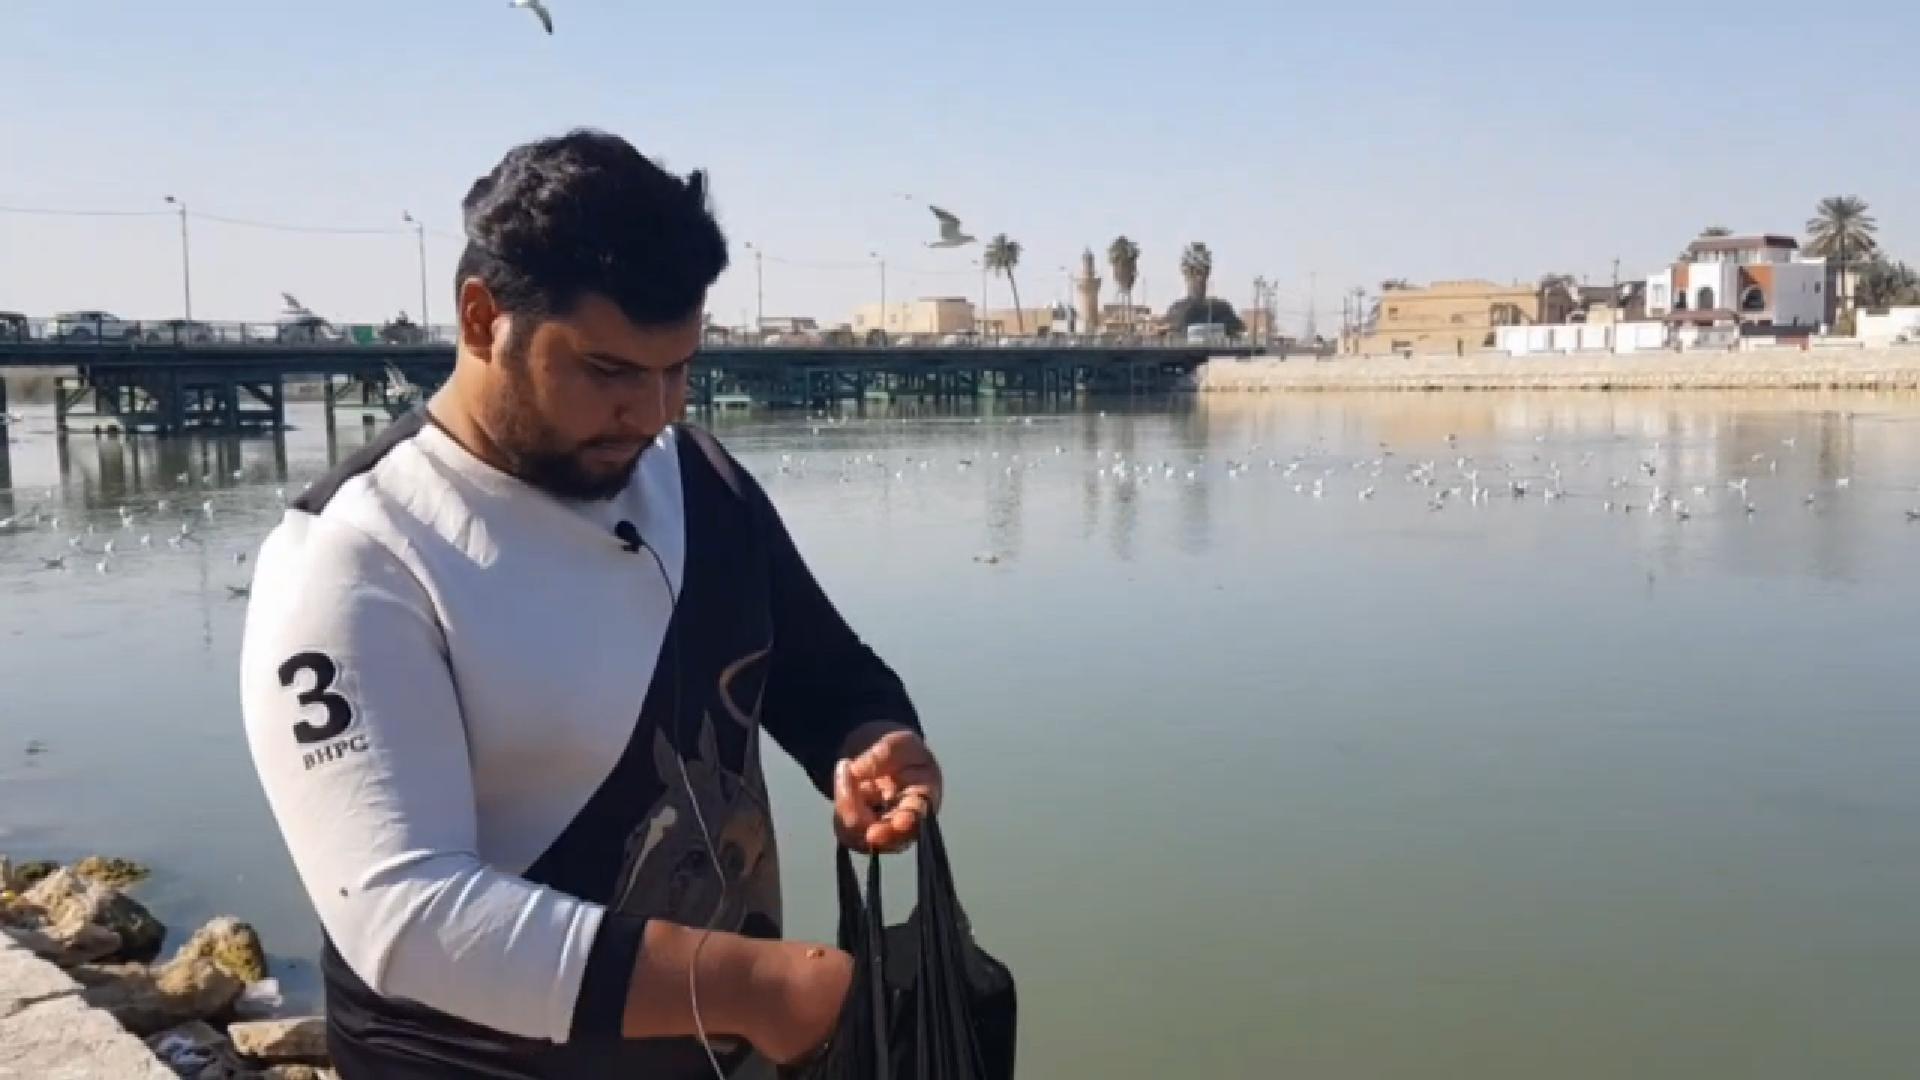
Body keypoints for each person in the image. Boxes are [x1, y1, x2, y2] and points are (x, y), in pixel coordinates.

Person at [240, 129, 943, 1079]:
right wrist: (759, 990)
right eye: (608, 371)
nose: (654, 412)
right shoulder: (355, 558)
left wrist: (872, 743)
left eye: (679, 369)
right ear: (484, 317)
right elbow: (402, 916)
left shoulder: (700, 480)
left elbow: (826, 674)